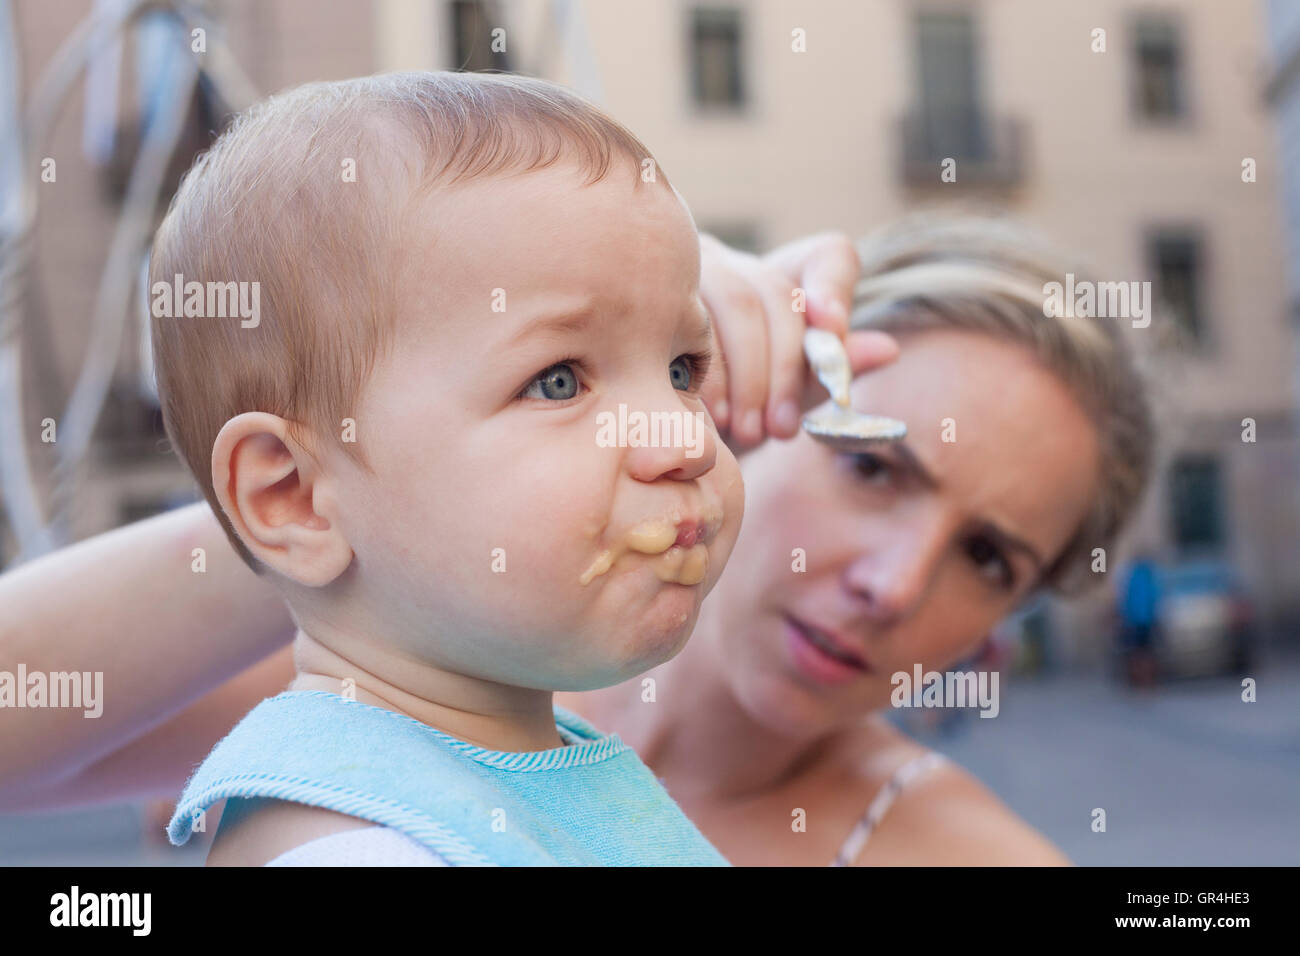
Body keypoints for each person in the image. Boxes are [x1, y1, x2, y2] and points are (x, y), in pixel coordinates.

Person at [0, 213, 1154, 866]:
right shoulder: (413, 674)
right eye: (870, 464)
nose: (895, 582)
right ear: (751, 402)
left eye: (988, 558)